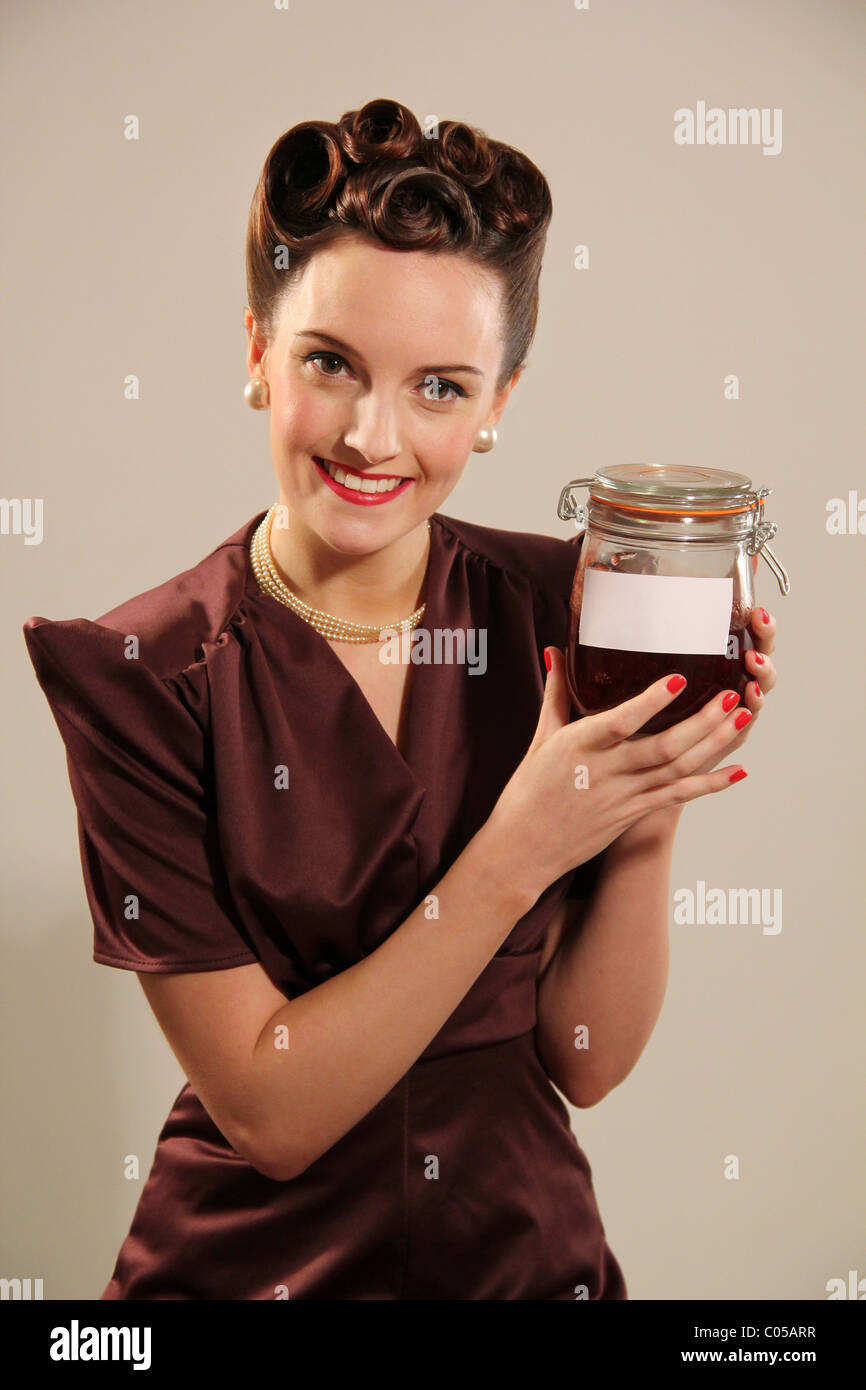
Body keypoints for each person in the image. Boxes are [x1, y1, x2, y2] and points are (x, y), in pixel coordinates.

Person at [22, 98, 778, 1300]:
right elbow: (269, 1112)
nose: (374, 436)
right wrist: (517, 847)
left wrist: (647, 797)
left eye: (438, 386)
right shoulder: (140, 675)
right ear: (259, 354)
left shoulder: (563, 608)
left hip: (522, 1264)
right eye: (330, 364)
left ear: (498, 405)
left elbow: (581, 1061)